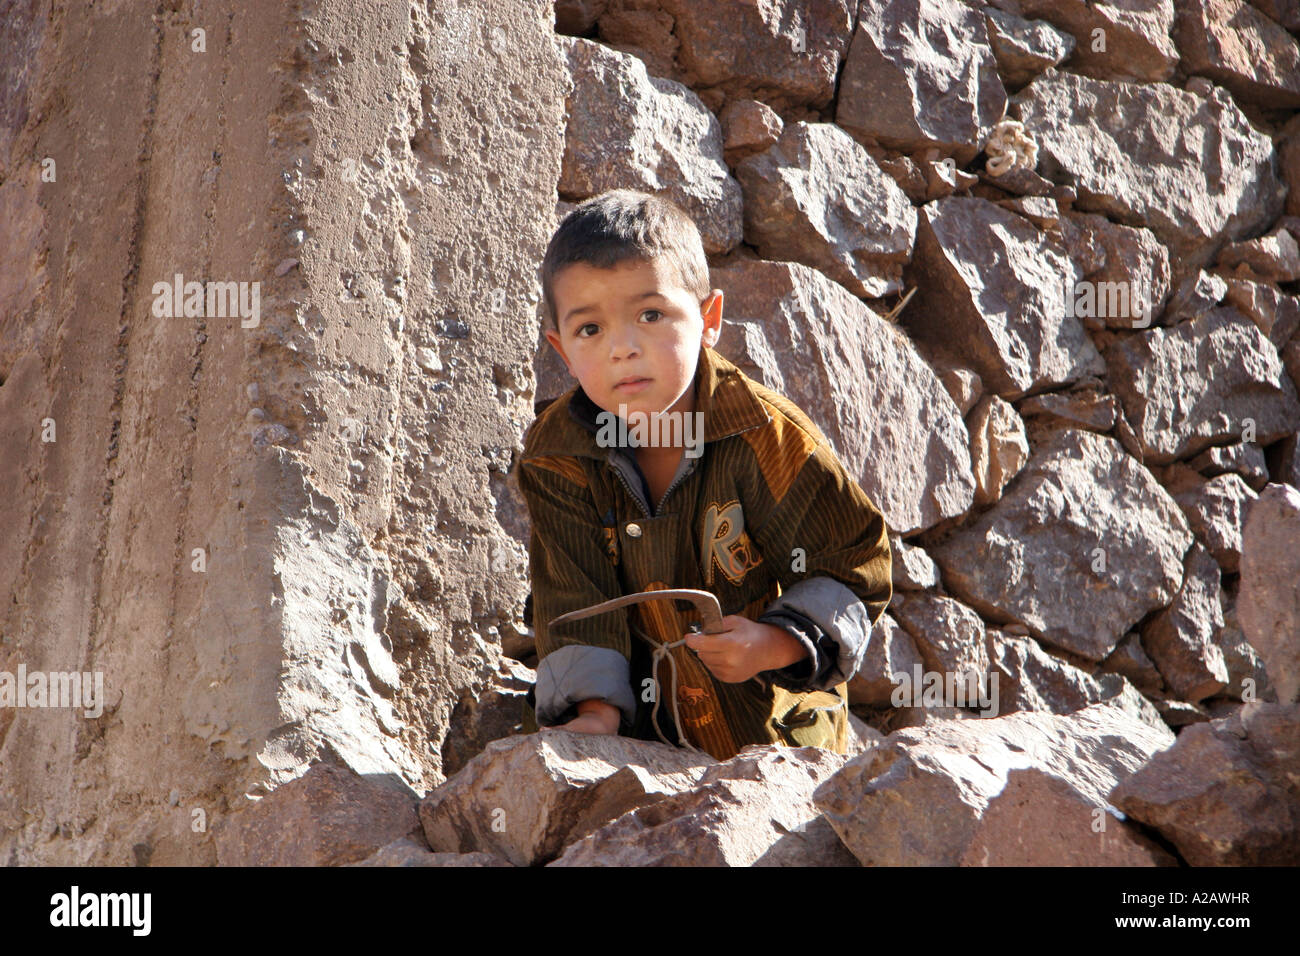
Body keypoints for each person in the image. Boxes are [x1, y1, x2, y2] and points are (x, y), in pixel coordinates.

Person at [514, 188, 892, 760]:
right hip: (649, 743)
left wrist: (773, 643)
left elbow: (854, 565)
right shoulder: (558, 457)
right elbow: (572, 590)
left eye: (650, 314)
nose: (622, 347)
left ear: (709, 318)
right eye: (589, 329)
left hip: (779, 747)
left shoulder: (768, 438)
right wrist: (594, 715)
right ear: (561, 350)